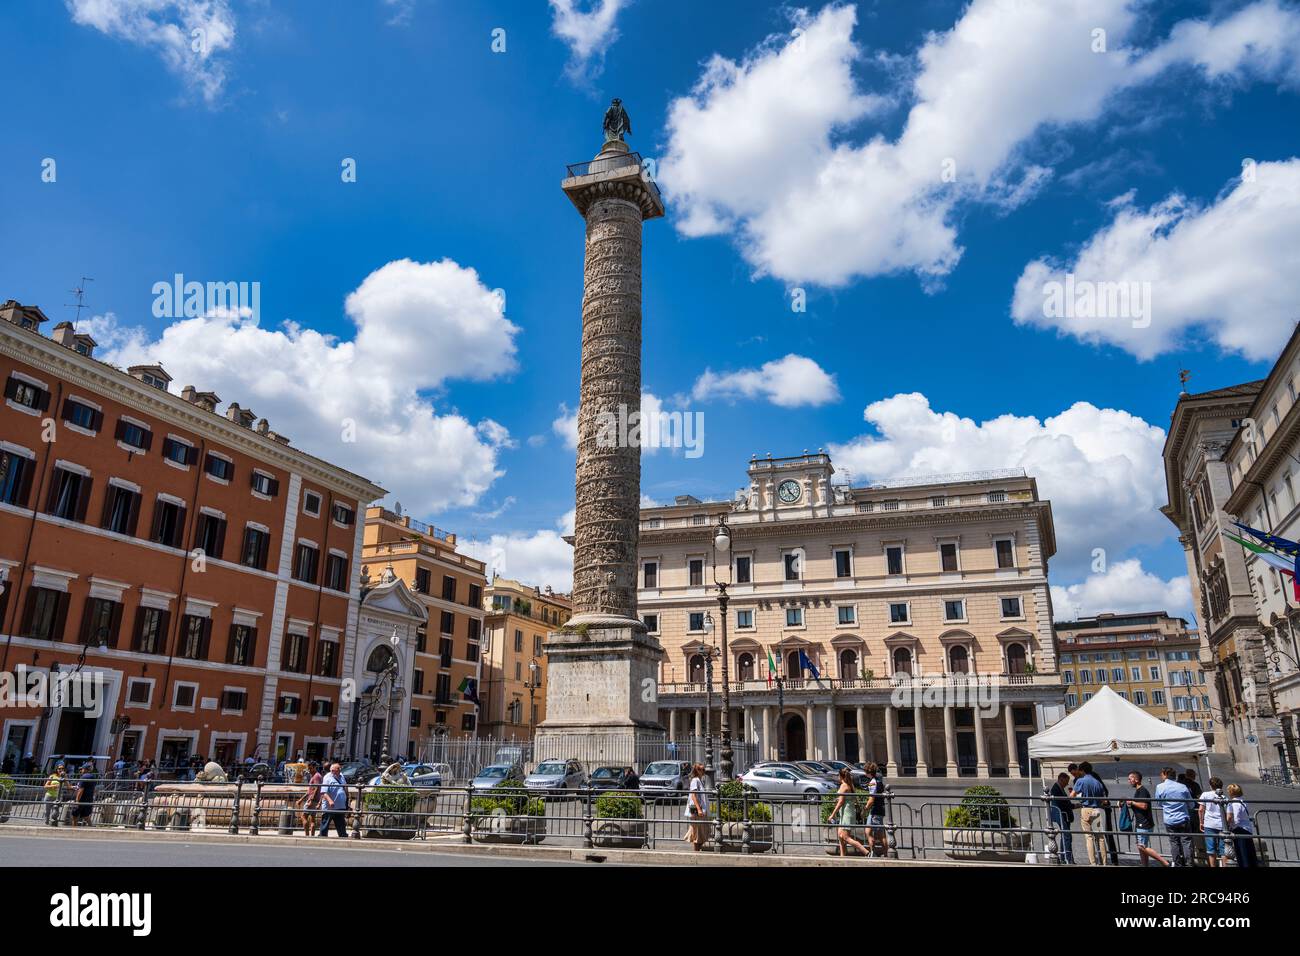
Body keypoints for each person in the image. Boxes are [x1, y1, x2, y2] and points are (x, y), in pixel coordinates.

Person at [1070, 761, 1108, 865]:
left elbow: (1071, 796)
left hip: (1086, 809)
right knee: (1100, 838)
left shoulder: (1080, 781)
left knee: (1089, 837)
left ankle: (1093, 863)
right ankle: (1104, 863)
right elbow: (1104, 800)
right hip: (1098, 810)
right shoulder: (1098, 782)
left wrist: (1078, 794)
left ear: (1082, 770)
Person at [1126, 771, 1167, 866]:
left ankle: (1165, 862)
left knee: (1141, 846)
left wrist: (1132, 802)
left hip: (1143, 823)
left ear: (1136, 779)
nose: (1128, 781)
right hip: (1142, 822)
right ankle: (1145, 865)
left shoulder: (1142, 791)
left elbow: (1144, 805)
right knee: (1142, 846)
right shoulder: (1138, 790)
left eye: (1130, 778)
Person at [1155, 767, 1194, 866]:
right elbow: (1191, 804)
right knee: (1186, 842)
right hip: (1183, 818)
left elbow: (1159, 803)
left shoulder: (1160, 787)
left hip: (1170, 819)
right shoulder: (1182, 787)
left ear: (1165, 774)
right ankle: (1189, 863)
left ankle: (1177, 863)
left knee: (1174, 842)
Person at [828, 768, 869, 857]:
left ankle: (867, 852)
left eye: (838, 776)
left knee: (846, 837)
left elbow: (841, 802)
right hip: (846, 813)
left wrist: (832, 814)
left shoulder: (844, 786)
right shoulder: (848, 785)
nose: (838, 777)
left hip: (846, 813)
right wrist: (838, 799)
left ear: (841, 776)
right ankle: (842, 857)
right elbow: (845, 799)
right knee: (840, 837)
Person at [1225, 783, 1258, 867]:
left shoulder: (1231, 803)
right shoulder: (1243, 802)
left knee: (1242, 854)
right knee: (1249, 853)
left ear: (1231, 792)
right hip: (1247, 829)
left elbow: (1232, 818)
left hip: (1239, 829)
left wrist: (1228, 827)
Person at [1198, 776, 1227, 867]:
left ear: (1211, 785)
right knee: (1224, 849)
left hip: (1209, 823)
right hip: (1222, 824)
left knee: (1211, 849)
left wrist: (1201, 822)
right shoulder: (1224, 797)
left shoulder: (1205, 794)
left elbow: (1201, 809)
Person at [1048, 771, 1076, 864]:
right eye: (1066, 782)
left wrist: (1073, 805)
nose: (1067, 784)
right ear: (1061, 779)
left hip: (1063, 815)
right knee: (1067, 836)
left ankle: (1064, 857)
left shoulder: (1060, 788)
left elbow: (1065, 802)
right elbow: (1063, 803)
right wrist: (1073, 805)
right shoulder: (1056, 789)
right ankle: (1068, 859)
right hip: (1060, 815)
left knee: (1065, 836)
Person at [863, 762, 888, 857]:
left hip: (875, 810)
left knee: (880, 834)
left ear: (868, 772)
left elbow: (871, 798)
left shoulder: (873, 782)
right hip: (878, 808)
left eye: (865, 771)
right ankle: (874, 852)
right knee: (868, 831)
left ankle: (885, 854)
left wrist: (865, 808)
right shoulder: (878, 780)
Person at [317, 762, 349, 838]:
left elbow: (345, 787)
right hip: (330, 807)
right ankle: (322, 837)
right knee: (325, 824)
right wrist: (330, 800)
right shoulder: (327, 777)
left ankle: (343, 836)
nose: (340, 770)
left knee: (341, 824)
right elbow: (324, 792)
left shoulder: (341, 776)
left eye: (339, 768)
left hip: (340, 805)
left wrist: (347, 798)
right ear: (332, 770)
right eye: (338, 769)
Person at [684, 763, 710, 852]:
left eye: (704, 769)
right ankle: (696, 852)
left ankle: (698, 851)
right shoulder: (695, 780)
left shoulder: (700, 780)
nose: (704, 771)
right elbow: (693, 796)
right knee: (697, 833)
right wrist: (699, 809)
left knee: (701, 832)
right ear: (697, 770)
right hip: (696, 810)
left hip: (700, 810)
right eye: (702, 770)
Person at [69, 762, 96, 828]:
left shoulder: (84, 777)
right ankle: (91, 827)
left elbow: (81, 789)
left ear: (86, 769)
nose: (81, 770)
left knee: (74, 815)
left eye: (82, 769)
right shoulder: (92, 777)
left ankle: (74, 829)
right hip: (89, 799)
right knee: (85, 815)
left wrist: (77, 800)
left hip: (82, 799)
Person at [303, 761, 323, 837]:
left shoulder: (316, 776)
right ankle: (312, 835)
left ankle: (307, 835)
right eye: (309, 768)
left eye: (310, 768)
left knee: (303, 816)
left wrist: (311, 800)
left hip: (312, 799)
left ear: (314, 767)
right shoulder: (315, 775)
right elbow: (310, 790)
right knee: (312, 819)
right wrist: (302, 799)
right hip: (314, 799)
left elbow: (316, 788)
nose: (309, 770)